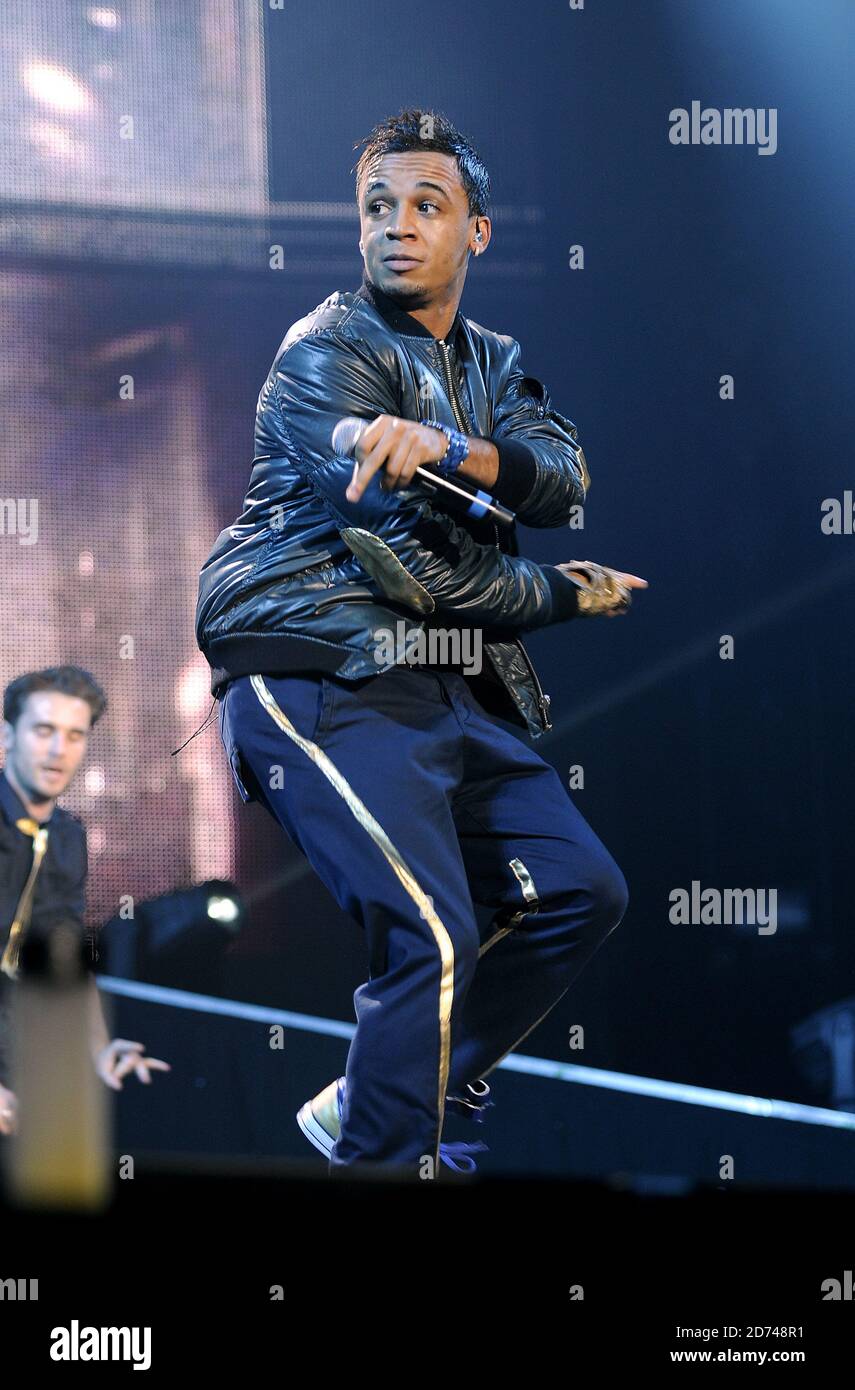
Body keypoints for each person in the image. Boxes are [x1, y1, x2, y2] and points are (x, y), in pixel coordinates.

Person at [194, 107, 647, 1175]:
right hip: (312, 667)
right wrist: (561, 596)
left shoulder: (493, 363)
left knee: (585, 889)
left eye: (426, 205)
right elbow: (421, 570)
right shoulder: (322, 354)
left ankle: (382, 1088)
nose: (396, 224)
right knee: (433, 934)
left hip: (439, 686)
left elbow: (563, 473)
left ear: (476, 232)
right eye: (378, 206)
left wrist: (448, 445)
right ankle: (392, 1159)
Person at [0, 665, 170, 1136]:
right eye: (44, 731)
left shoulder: (69, 835)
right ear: (8, 735)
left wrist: (98, 1049)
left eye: (75, 735)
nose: (59, 750)